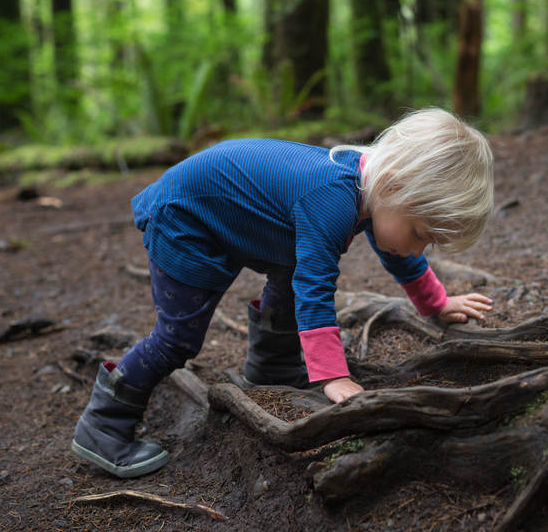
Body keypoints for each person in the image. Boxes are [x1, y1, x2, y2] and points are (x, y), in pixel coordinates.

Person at [71, 107, 496, 478]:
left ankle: (271, 367)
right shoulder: (332, 197)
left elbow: (398, 255)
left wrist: (435, 303)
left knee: (292, 266)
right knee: (177, 338)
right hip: (187, 221)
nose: (418, 247)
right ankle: (103, 427)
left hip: (238, 222)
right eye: (420, 233)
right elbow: (315, 287)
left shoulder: (372, 186)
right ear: (395, 182)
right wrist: (332, 374)